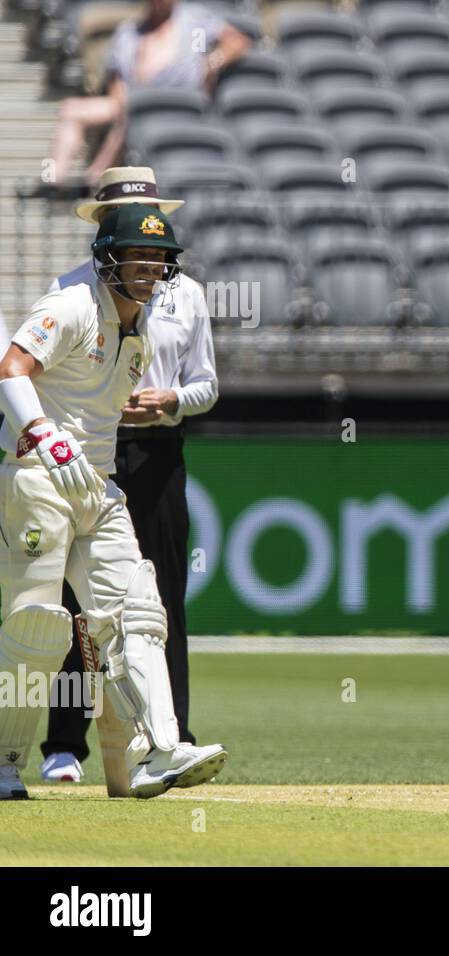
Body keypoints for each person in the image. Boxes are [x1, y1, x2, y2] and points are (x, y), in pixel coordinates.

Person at [0, 203, 227, 800]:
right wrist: (45, 436)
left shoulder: (144, 326)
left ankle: (160, 750)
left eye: (160, 259)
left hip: (97, 485)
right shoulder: (71, 302)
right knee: (37, 625)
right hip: (37, 475)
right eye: (139, 257)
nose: (151, 269)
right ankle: (4, 761)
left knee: (137, 612)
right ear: (108, 259)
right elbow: (12, 369)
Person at [41, 0, 249, 192]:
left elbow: (237, 41)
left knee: (130, 118)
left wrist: (213, 62)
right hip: (133, 100)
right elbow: (117, 80)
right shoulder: (130, 32)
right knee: (71, 109)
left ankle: (93, 181)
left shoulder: (193, 20)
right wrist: (123, 100)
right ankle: (52, 181)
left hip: (180, 101)